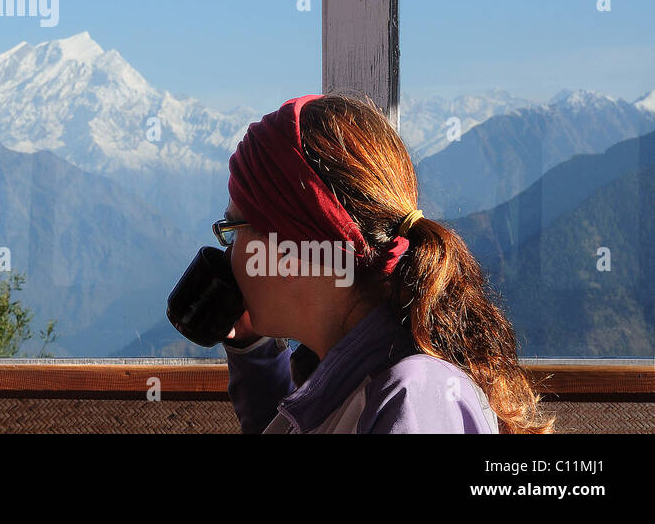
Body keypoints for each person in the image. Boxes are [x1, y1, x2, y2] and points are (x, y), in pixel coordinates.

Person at [219, 92, 554, 434]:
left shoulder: (412, 399)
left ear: (289, 247)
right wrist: (253, 351)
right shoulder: (367, 382)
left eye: (233, 231)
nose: (228, 255)